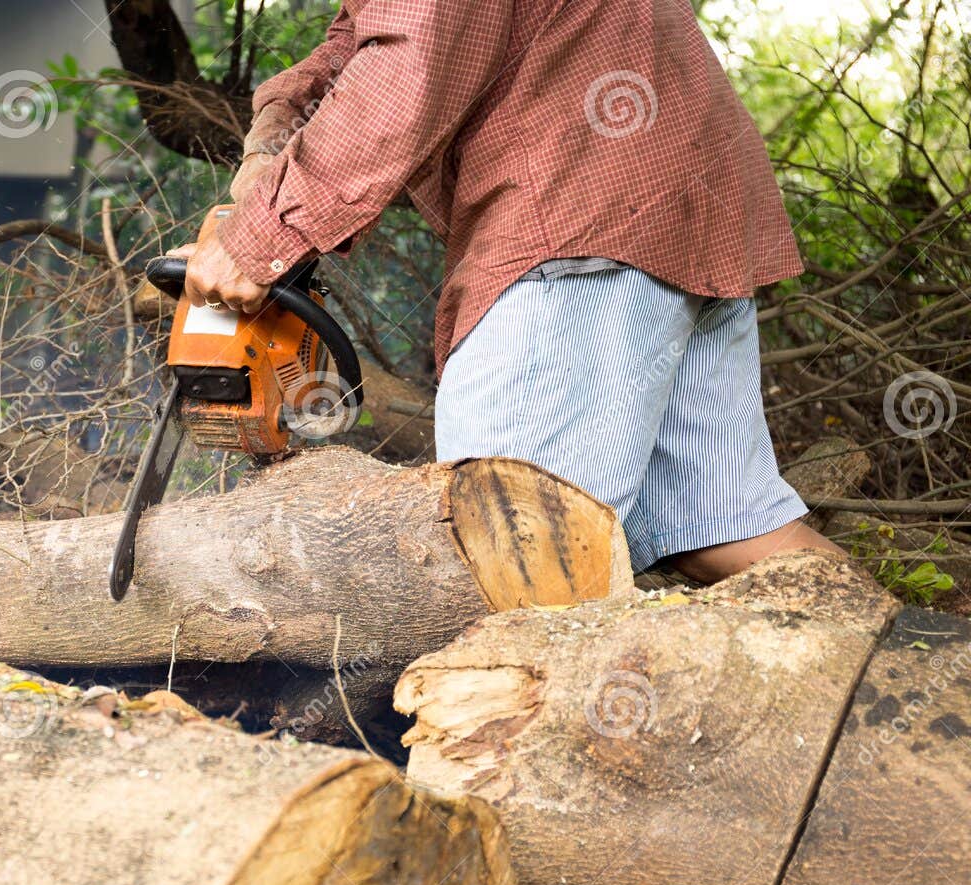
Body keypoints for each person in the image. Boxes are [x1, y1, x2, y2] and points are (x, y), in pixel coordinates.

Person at [169, 0, 843, 582]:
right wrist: (272, 143)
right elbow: (359, 43)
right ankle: (921, 671)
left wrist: (259, 241)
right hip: (674, 206)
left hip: (583, 214)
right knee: (723, 532)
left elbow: (406, 69)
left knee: (504, 550)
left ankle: (508, 733)